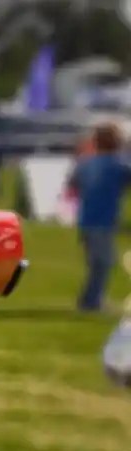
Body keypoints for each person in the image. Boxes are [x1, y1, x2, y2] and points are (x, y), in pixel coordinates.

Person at [67, 122, 131, 314]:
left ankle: (91, 299)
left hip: (86, 219)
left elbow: (73, 184)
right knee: (103, 262)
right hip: (103, 220)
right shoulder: (118, 164)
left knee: (98, 262)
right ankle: (90, 302)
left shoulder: (86, 163)